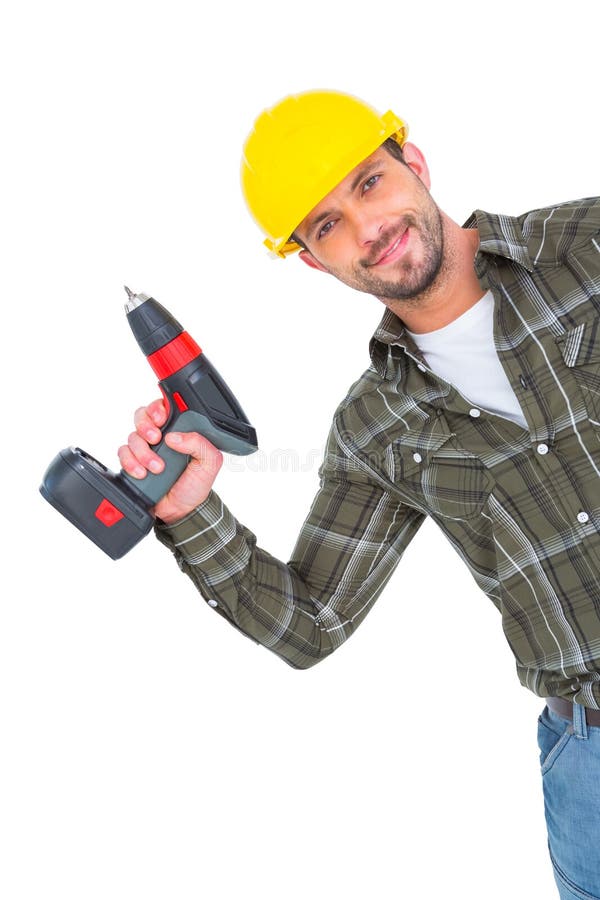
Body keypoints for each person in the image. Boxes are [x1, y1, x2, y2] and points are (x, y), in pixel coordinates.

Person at [117, 90, 600, 899]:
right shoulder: (376, 427)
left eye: (368, 184)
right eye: (326, 224)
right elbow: (311, 624)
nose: (367, 229)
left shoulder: (587, 244)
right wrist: (190, 510)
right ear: (311, 258)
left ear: (413, 162)